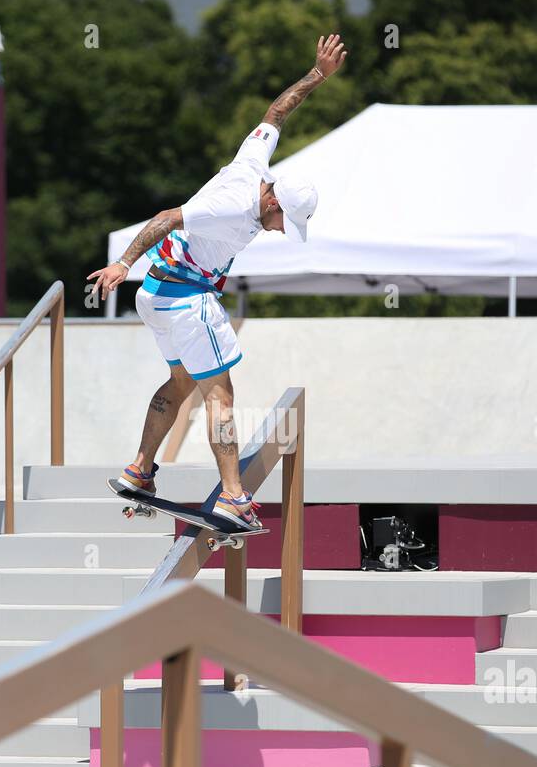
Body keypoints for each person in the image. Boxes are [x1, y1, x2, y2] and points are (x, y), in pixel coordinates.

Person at [88, 34, 347, 529]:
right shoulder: (230, 205)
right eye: (282, 223)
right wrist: (124, 260)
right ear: (273, 204)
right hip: (187, 298)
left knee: (181, 380)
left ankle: (140, 470)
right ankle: (232, 495)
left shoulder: (254, 164)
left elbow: (276, 113)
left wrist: (317, 74)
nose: (278, 231)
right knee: (220, 396)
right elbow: (168, 216)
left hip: (156, 297)